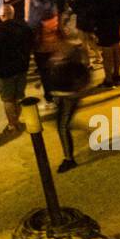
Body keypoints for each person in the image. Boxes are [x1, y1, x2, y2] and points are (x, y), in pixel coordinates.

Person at [39, 26, 92, 172]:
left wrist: (78, 90)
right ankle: (83, 134)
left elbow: (83, 72)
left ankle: (69, 159)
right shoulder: (57, 51)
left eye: (49, 36)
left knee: (62, 126)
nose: (47, 40)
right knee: (62, 123)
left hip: (69, 95)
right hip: (61, 94)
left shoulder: (71, 51)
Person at [0, 4, 34, 132]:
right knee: (19, 96)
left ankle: (12, 124)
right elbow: (30, 43)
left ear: (2, 16)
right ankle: (18, 119)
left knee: (8, 99)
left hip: (5, 71)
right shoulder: (23, 27)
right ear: (12, 14)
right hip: (21, 67)